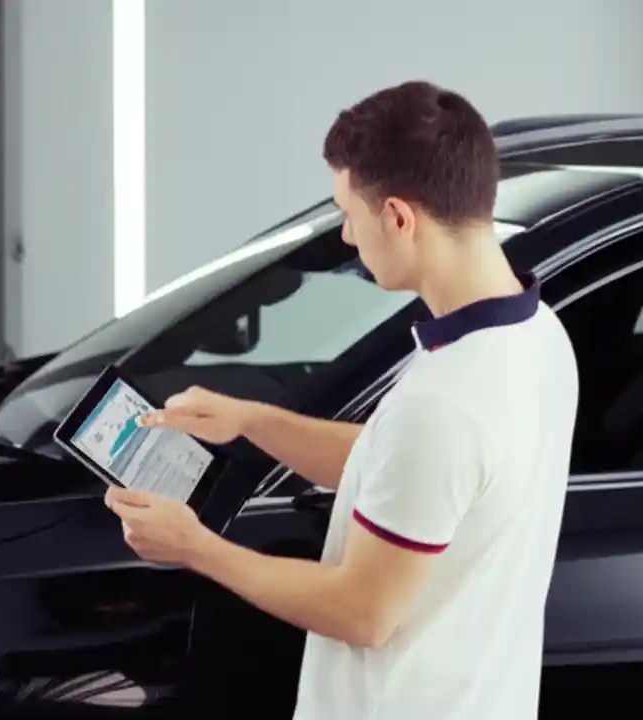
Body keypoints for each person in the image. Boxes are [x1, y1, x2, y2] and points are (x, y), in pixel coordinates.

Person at [106, 80, 578, 719]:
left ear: (398, 217)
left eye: (349, 214)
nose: (349, 238)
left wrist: (195, 548)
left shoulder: (445, 403)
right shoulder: (535, 336)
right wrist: (252, 420)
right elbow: (413, 472)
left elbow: (362, 612)